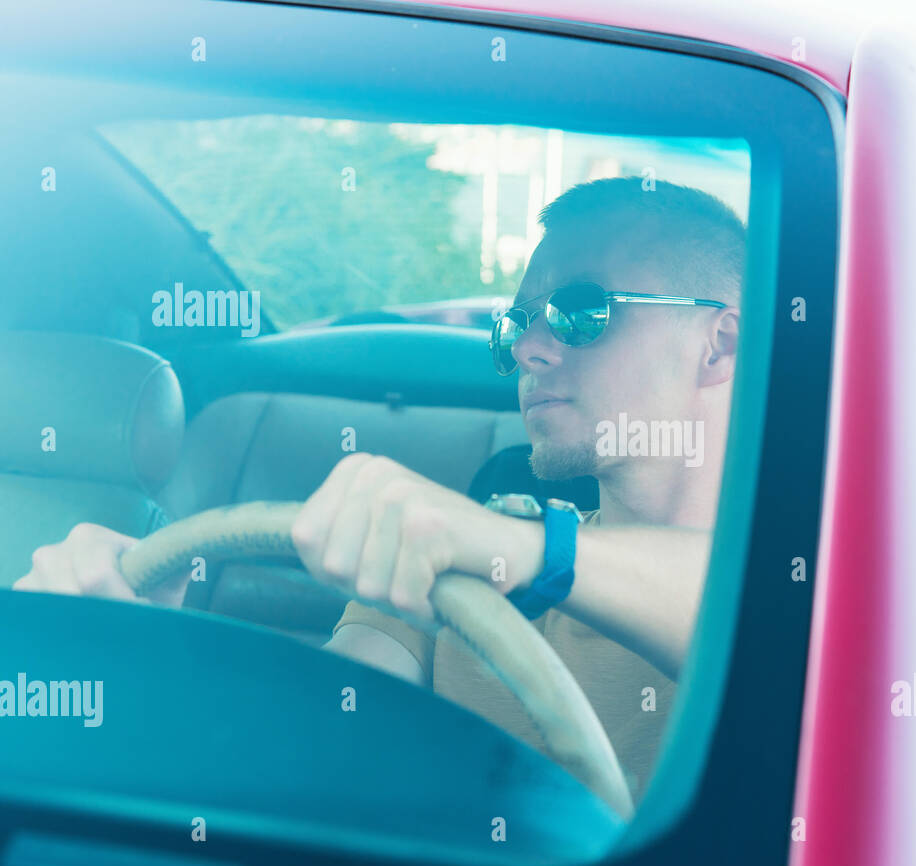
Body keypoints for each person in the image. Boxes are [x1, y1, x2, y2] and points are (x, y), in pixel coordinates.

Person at [14, 176, 745, 803]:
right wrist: (149, 664)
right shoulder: (452, 556)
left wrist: (525, 548)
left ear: (719, 342)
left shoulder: (822, 582)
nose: (526, 346)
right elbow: (313, 755)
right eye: (514, 323)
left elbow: (770, 623)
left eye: (581, 310)